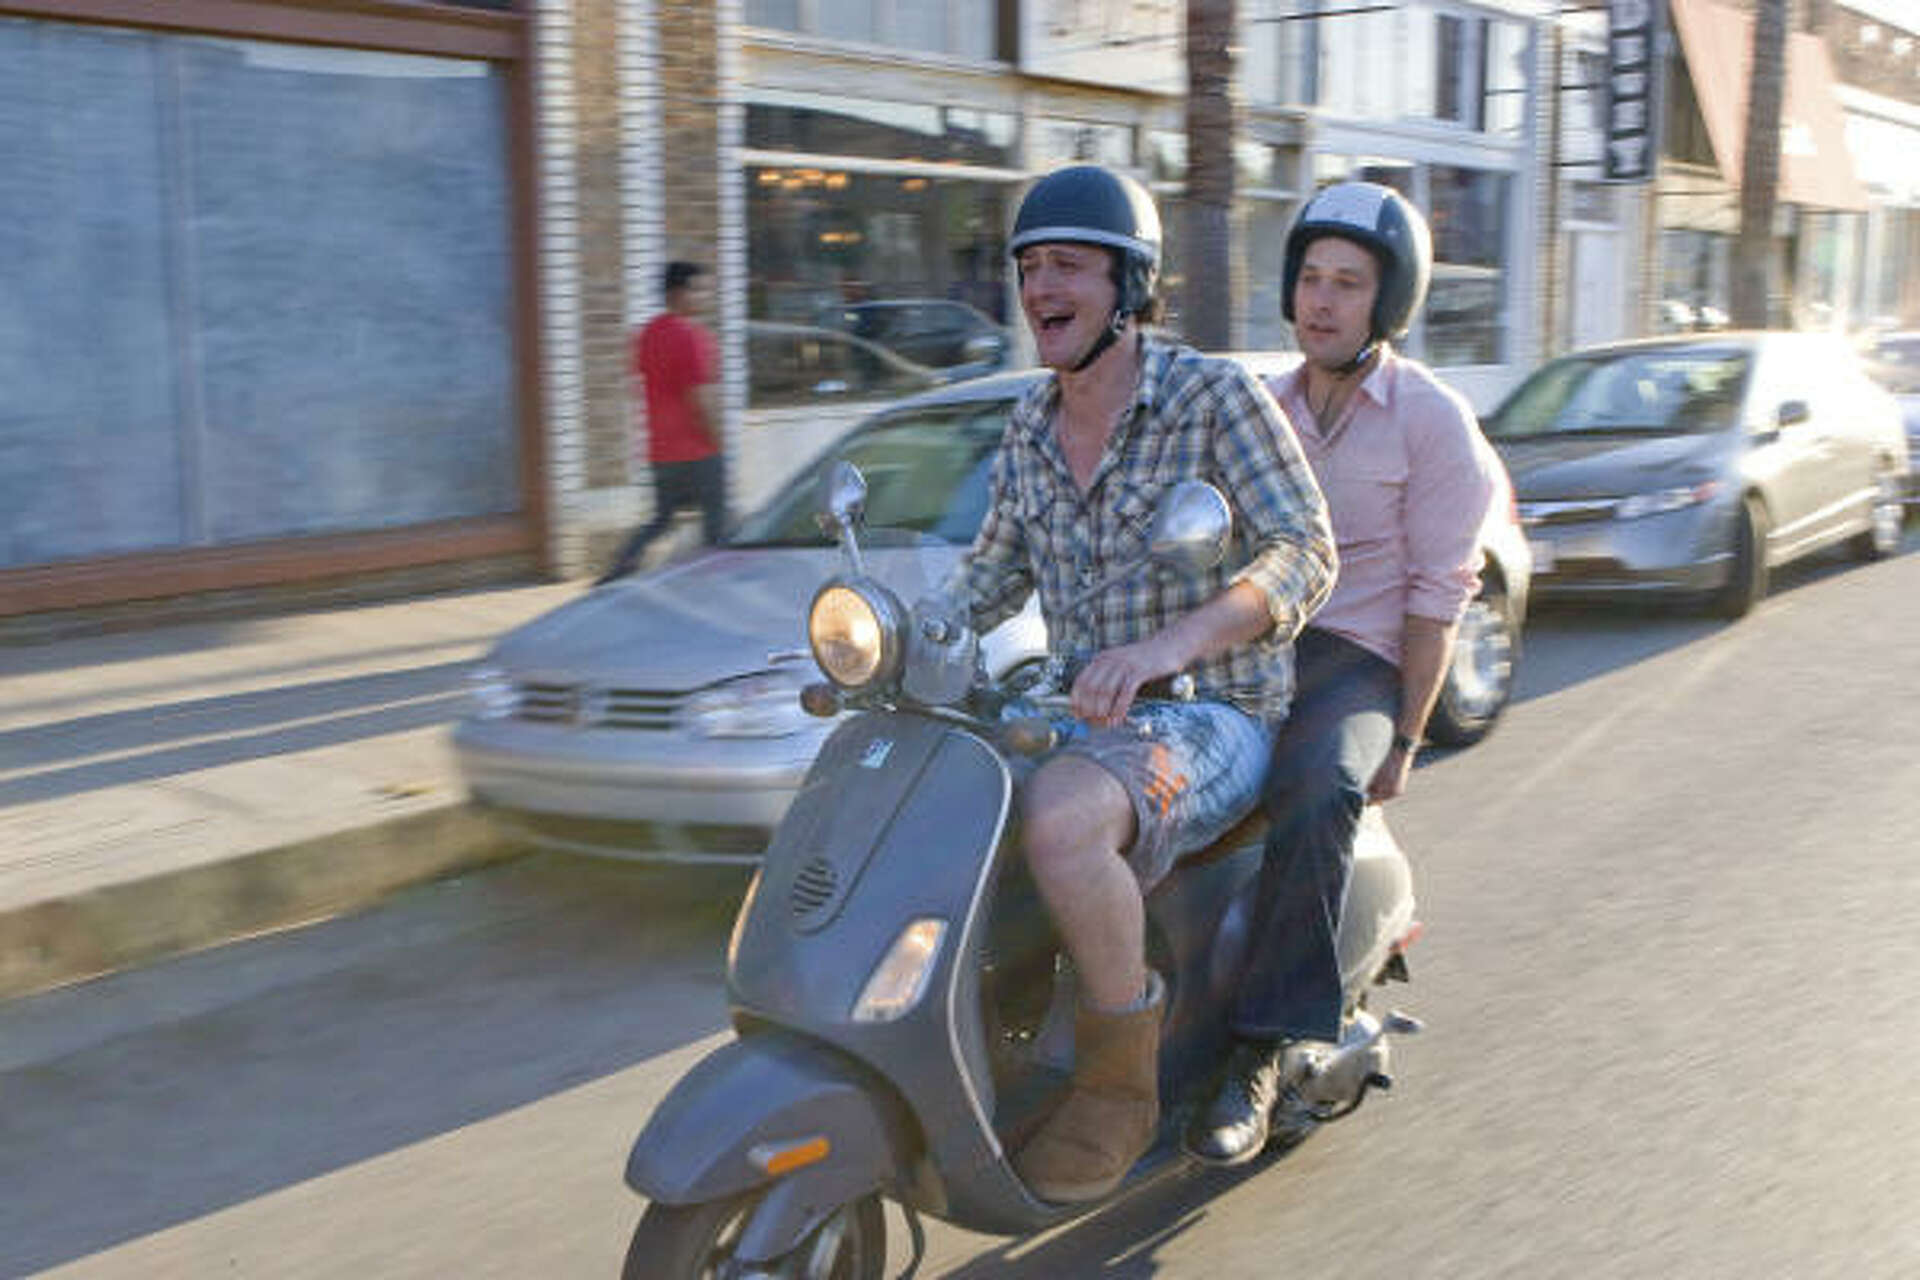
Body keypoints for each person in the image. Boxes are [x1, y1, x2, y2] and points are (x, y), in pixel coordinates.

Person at [938, 165, 1337, 1203]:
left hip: (1214, 710)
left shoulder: (1212, 396)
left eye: (1067, 265)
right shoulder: (1030, 426)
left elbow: (1304, 550)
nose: (1040, 287)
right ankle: (993, 1046)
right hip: (1081, 709)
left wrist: (1168, 647)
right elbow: (988, 575)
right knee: (941, 798)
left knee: (1063, 818)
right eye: (1029, 267)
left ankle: (1119, 1088)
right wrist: (894, 634)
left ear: (1130, 284)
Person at [1184, 181, 1501, 1165]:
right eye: (1311, 278)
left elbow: (1437, 598)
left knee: (1319, 787)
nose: (1321, 301)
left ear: (1388, 301)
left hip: (1354, 659)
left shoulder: (1433, 422)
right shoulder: (1258, 408)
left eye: (1348, 284)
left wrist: (1403, 738)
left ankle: (1260, 1052)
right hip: (1249, 644)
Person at [599, 261, 725, 584]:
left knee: (661, 519)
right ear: (677, 293)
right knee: (716, 524)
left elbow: (642, 384)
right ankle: (714, 586)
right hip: (698, 450)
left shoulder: (645, 335)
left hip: (660, 451)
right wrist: (718, 440)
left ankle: (619, 569)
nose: (706, 295)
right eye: (699, 289)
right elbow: (699, 398)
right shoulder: (694, 336)